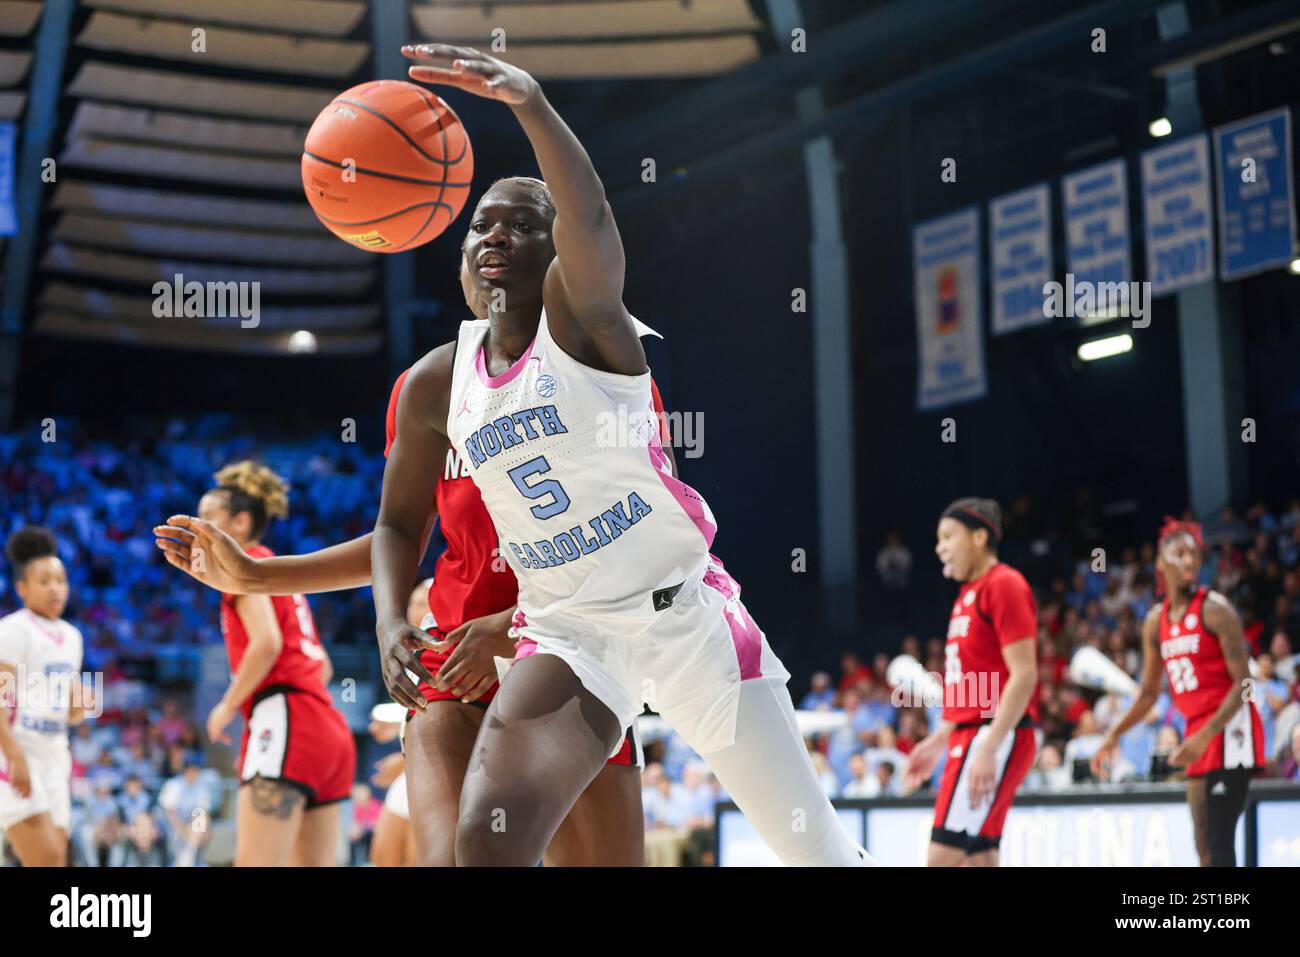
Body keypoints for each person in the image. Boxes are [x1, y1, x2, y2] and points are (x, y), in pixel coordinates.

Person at [364, 42, 870, 867]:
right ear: (458, 261)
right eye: (481, 223)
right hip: (569, 635)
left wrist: (528, 103)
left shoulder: (584, 322)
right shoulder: (433, 384)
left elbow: (592, 219)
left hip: (683, 620)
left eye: (525, 222)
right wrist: (389, 619)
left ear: (556, 250)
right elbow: (395, 524)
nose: (498, 234)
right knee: (483, 844)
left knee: (819, 856)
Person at [197, 461, 357, 866]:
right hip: (326, 726)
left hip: (286, 718)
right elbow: (322, 666)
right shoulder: (279, 571)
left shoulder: (247, 566)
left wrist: (227, 706)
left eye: (207, 518)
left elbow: (266, 644)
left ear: (240, 522)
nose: (198, 527)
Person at [1093, 517, 1265, 867]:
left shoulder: (1215, 609)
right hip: (1196, 732)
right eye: (1179, 553)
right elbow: (1147, 694)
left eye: (1194, 554)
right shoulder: (1156, 621)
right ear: (1160, 563)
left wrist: (1206, 735)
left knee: (1218, 843)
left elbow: (1245, 684)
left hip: (1229, 728)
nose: (1189, 561)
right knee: (1201, 841)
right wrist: (1113, 735)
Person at [902, 498, 1039, 867]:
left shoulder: (1004, 584)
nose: (939, 547)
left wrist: (989, 746)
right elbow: (972, 684)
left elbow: (1025, 674)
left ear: (980, 536)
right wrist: (938, 740)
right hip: (974, 732)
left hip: (994, 732)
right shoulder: (966, 596)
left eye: (948, 536)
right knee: (978, 857)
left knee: (942, 858)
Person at [0, 527, 90, 866]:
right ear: (22, 588)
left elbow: (70, 715)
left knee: (55, 859)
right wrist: (13, 754)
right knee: (49, 859)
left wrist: (79, 706)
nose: (56, 588)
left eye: (61, 580)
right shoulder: (12, 630)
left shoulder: (72, 636)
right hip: (15, 751)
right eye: (44, 581)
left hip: (54, 755)